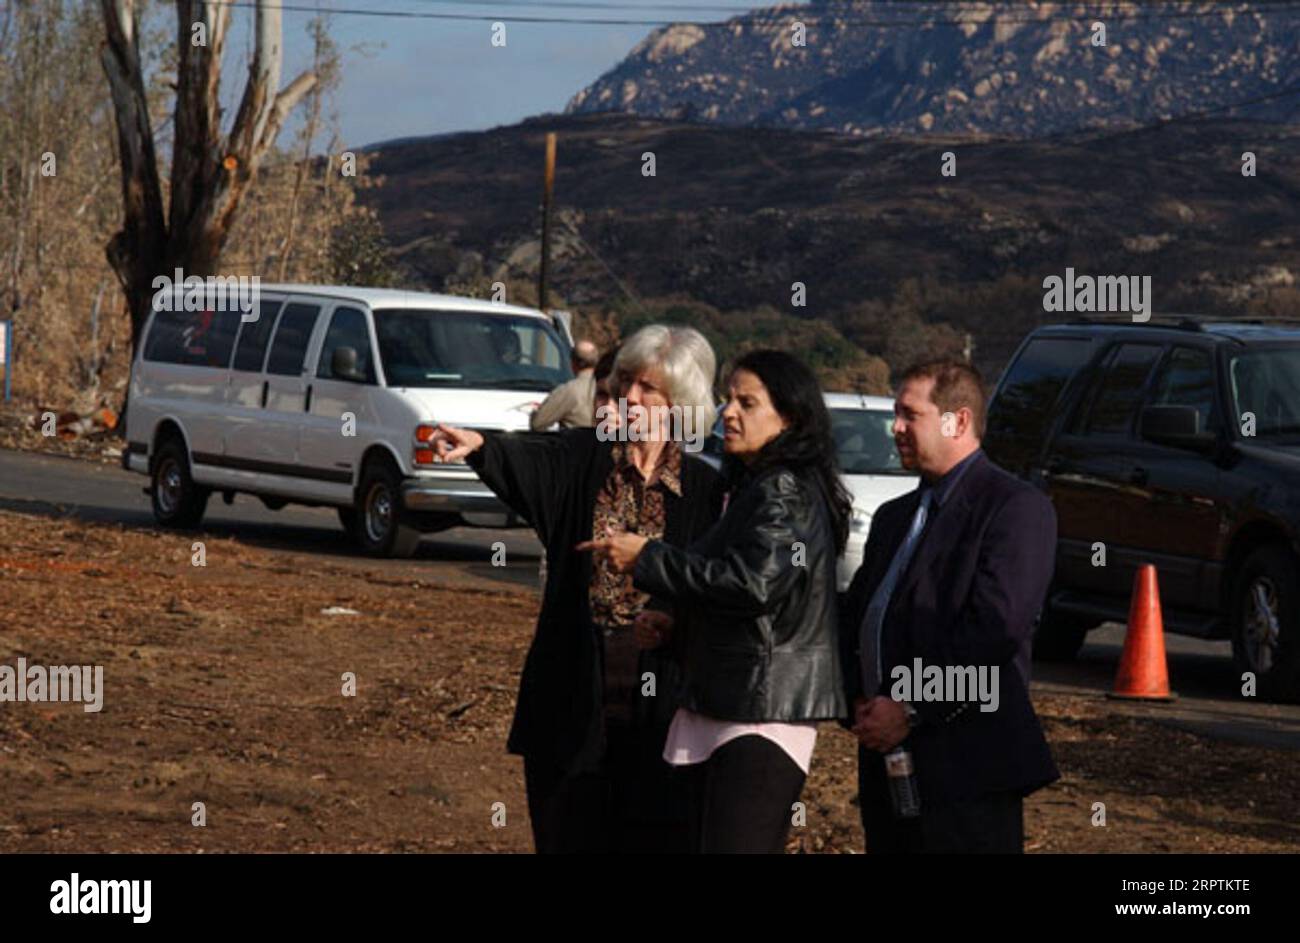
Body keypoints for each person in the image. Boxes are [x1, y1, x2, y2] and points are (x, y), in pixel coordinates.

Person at [429, 325, 722, 853]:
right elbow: (527, 457)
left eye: (648, 389)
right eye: (626, 382)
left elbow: (718, 586)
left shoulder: (706, 490)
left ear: (681, 401)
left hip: (663, 697)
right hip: (572, 687)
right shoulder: (583, 458)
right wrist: (479, 446)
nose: (630, 398)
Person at [584, 349, 851, 854]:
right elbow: (747, 598)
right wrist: (675, 625)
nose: (728, 412)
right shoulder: (754, 485)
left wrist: (649, 557)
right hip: (727, 701)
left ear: (790, 417)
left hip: (757, 714)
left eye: (747, 403)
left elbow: (754, 585)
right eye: (728, 399)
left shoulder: (785, 489)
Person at [840, 358, 1060, 853]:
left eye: (908, 415)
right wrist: (859, 695)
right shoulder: (895, 517)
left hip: (968, 766)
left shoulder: (1014, 508)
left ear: (957, 421)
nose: (894, 427)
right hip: (890, 765)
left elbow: (994, 631)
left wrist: (911, 705)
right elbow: (858, 615)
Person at [530, 339, 599, 430]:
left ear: (572, 363)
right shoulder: (612, 388)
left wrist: (533, 413)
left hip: (577, 443)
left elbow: (538, 423)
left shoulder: (569, 391)